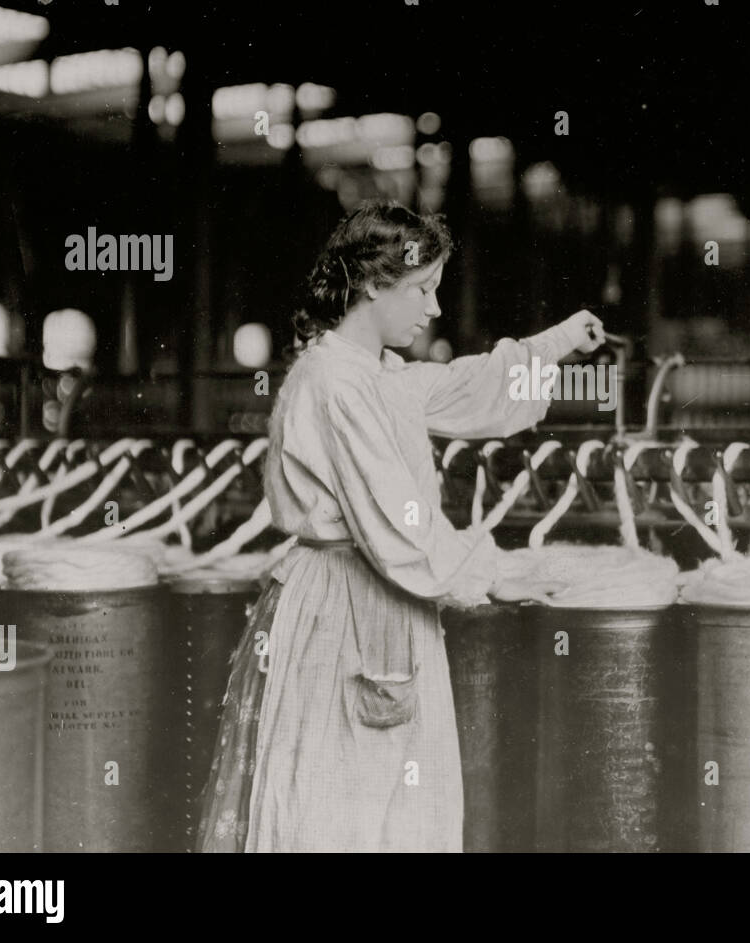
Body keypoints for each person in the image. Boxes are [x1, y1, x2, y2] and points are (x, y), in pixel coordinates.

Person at [196, 200, 604, 852]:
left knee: (388, 803)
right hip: (347, 606)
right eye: (422, 289)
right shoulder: (335, 384)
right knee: (344, 806)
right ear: (373, 284)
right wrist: (502, 572)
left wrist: (557, 341)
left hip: (379, 597)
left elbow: (465, 387)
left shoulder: (373, 373)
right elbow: (401, 529)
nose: (434, 308)